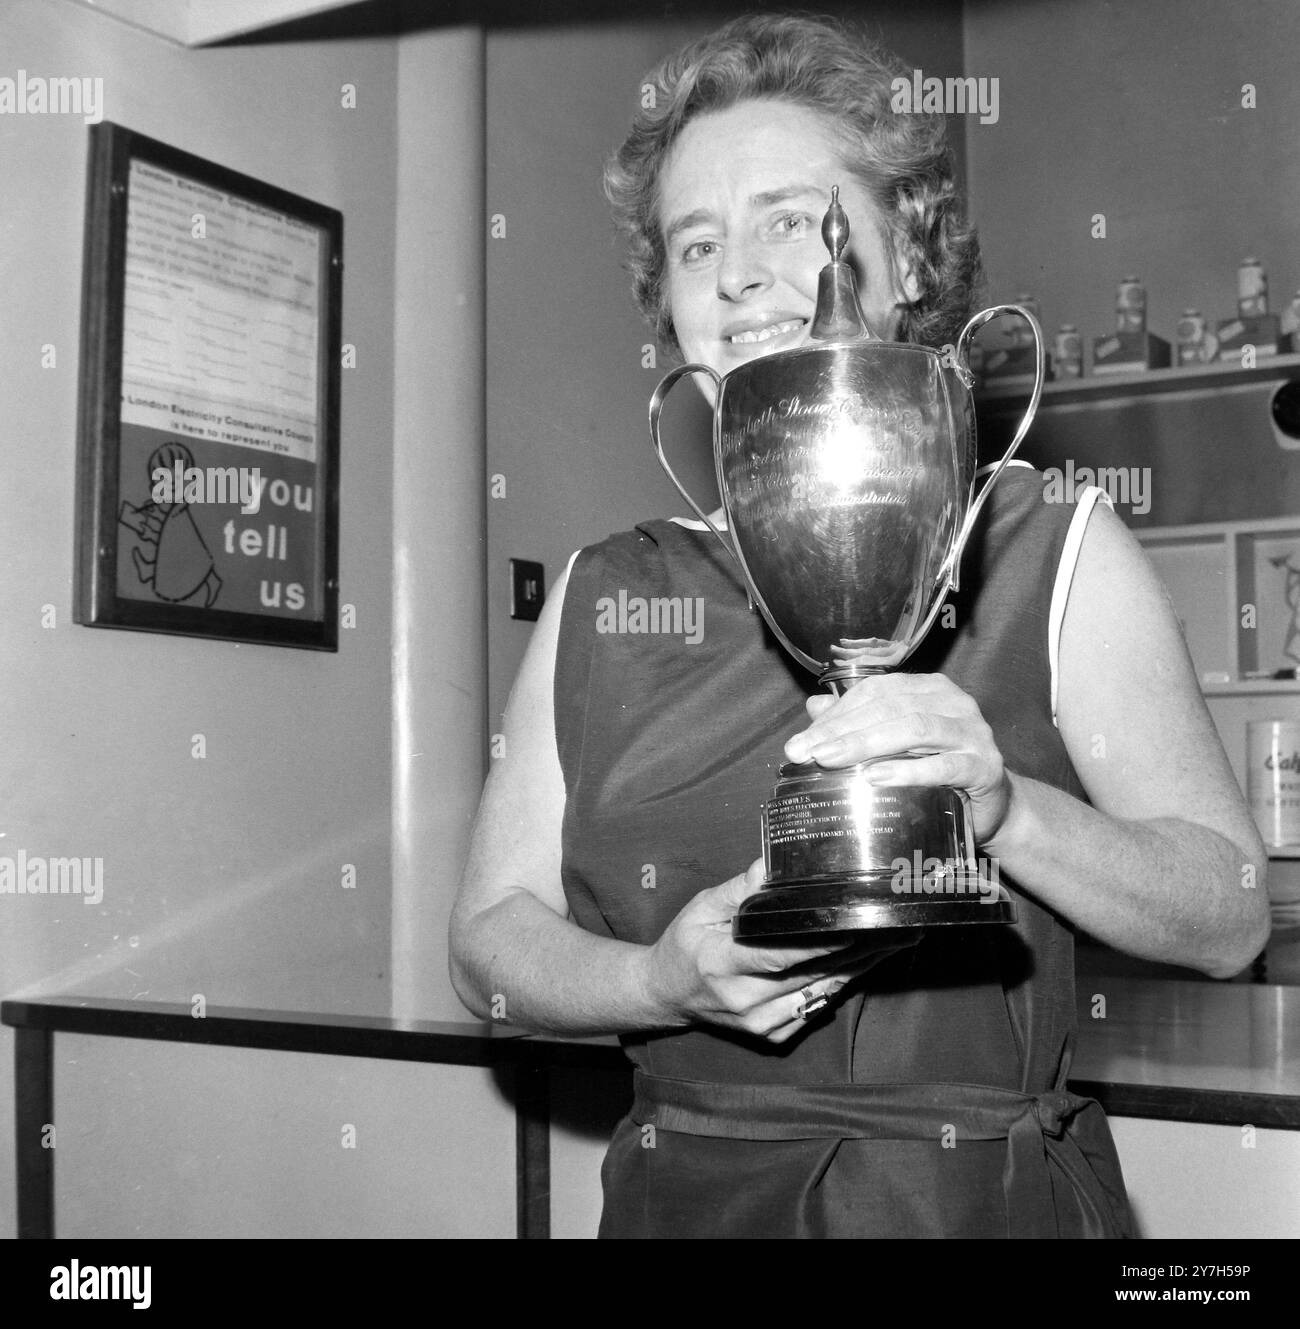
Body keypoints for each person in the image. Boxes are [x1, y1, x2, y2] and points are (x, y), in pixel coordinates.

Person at [449, 13, 1269, 1238]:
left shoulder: (1049, 548)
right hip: (684, 1202)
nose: (734, 273)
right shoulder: (606, 589)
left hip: (967, 1204)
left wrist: (1005, 812)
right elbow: (486, 945)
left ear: (909, 260)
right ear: (665, 309)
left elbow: (1229, 912)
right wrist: (653, 979)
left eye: (789, 217)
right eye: (694, 243)